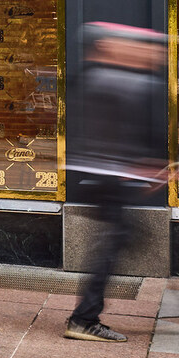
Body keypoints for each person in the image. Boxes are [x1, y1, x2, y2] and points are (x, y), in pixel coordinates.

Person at [65, 22, 169, 341]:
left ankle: (85, 315)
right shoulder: (116, 79)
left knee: (120, 237)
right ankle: (83, 318)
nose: (155, 54)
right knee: (115, 239)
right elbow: (117, 135)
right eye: (146, 47)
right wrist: (143, 169)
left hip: (105, 174)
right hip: (107, 176)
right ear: (113, 46)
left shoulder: (102, 76)